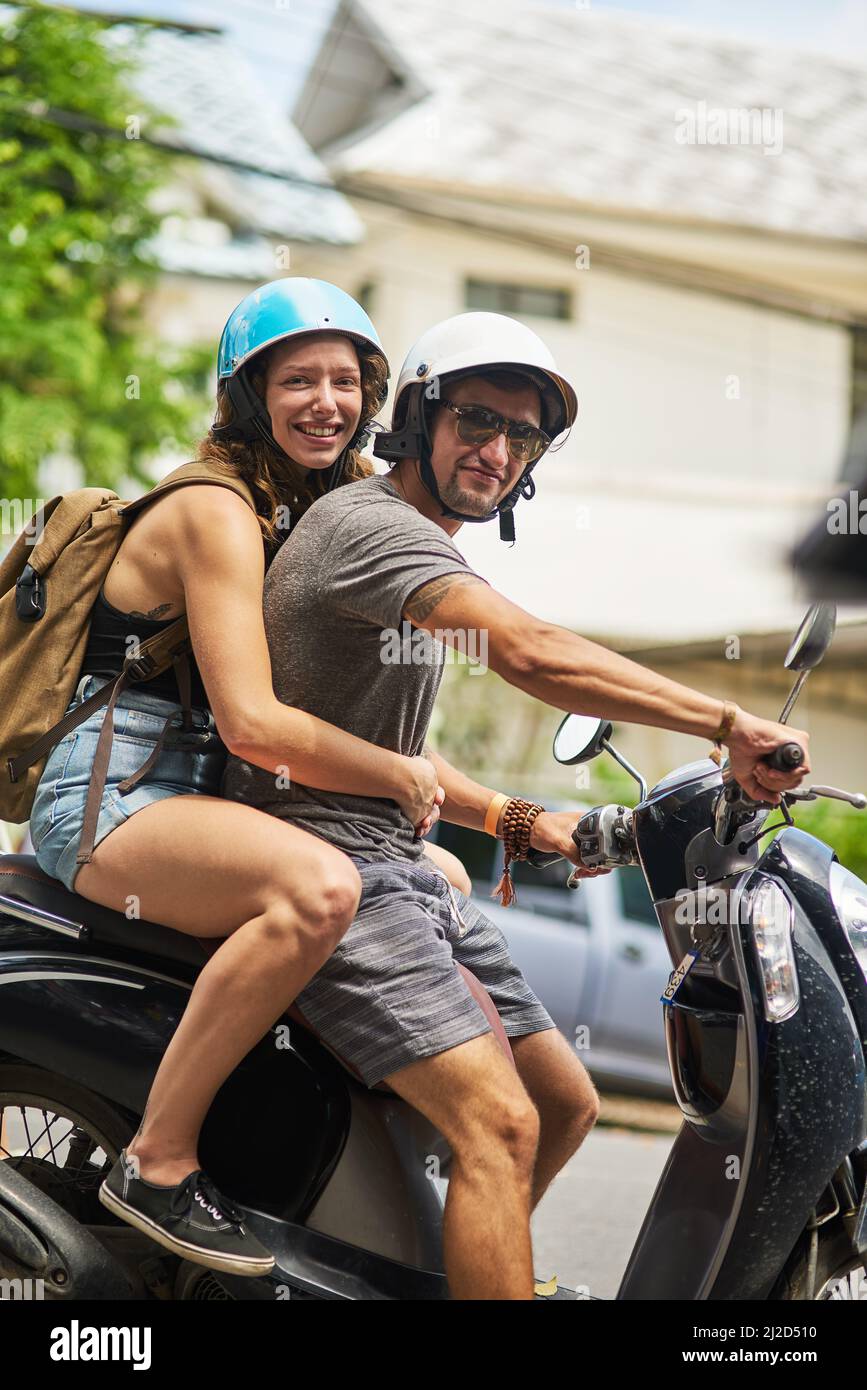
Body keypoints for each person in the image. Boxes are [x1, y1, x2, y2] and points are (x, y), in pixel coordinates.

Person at [221, 309, 812, 1299]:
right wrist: (725, 722)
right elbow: (532, 652)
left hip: (396, 865)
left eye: (520, 436)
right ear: (416, 417)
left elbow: (400, 758)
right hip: (323, 858)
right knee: (501, 1126)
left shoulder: (407, 538)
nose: (496, 450)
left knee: (563, 1099)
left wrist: (523, 820)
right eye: (476, 419)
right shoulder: (372, 527)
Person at [27, 278, 444, 1278]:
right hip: (112, 802)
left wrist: (508, 815)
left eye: (347, 381)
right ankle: (157, 1163)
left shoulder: (311, 512)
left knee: (438, 886)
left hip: (198, 799)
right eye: (297, 379)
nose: (327, 402)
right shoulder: (218, 509)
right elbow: (258, 726)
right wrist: (397, 775)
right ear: (249, 395)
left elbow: (332, 722)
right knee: (319, 889)